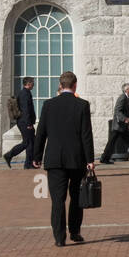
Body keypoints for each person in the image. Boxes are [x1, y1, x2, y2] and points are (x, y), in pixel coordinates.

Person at [33, 71, 95, 247]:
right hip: (76, 158)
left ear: (60, 85)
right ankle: (75, 232)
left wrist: (37, 156)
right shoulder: (82, 105)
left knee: (58, 200)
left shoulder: (49, 105)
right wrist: (90, 159)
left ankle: (59, 237)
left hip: (54, 159)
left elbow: (41, 132)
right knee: (76, 198)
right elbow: (86, 134)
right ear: (75, 85)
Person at [99, 83, 129, 163]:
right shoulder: (123, 97)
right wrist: (124, 119)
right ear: (127, 90)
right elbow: (117, 110)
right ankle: (104, 158)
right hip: (119, 126)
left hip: (121, 126)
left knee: (127, 140)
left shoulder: (126, 98)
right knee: (113, 142)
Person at [4, 77, 37, 168]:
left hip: (24, 122)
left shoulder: (24, 93)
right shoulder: (25, 94)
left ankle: (28, 164)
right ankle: (9, 155)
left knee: (31, 142)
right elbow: (25, 109)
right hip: (24, 122)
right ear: (29, 84)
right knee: (27, 143)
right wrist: (29, 124)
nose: (34, 84)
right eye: (33, 83)